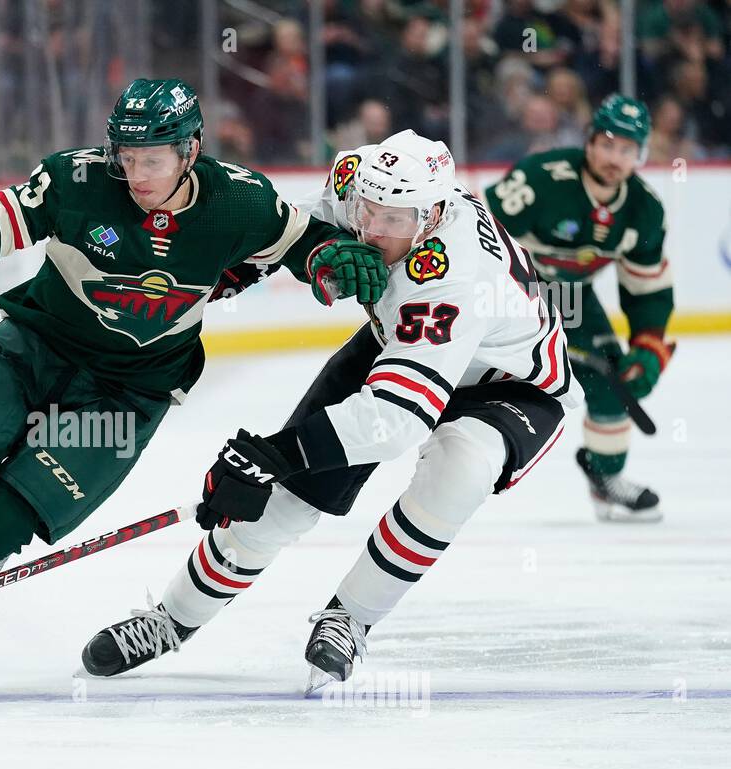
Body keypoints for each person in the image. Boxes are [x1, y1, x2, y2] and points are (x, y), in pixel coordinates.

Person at [0, 78, 389, 693]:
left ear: (192, 150)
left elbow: (305, 243)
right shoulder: (77, 181)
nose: (136, 174)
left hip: (124, 398)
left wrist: (330, 258)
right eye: (126, 157)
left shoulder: (241, 203)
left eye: (152, 159)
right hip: (28, 355)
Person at [81, 130, 581, 691]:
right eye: (370, 212)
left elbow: (395, 419)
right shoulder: (354, 180)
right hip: (398, 344)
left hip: (510, 386)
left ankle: (351, 618)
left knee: (458, 471)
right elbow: (300, 232)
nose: (375, 231)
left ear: (434, 215)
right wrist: (282, 267)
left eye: (397, 220)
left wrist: (274, 454)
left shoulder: (455, 278)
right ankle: (170, 620)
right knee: (281, 507)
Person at [485, 94, 673, 520]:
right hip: (509, 288)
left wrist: (649, 342)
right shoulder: (541, 178)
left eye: (627, 149)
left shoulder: (644, 209)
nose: (615, 157)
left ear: (639, 155)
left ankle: (605, 479)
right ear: (589, 142)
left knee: (613, 377)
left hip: (570, 296)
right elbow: (479, 235)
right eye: (608, 143)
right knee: (478, 375)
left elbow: (647, 287)